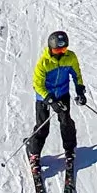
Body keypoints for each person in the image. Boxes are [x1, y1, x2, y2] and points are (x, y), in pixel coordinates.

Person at [27, 30, 87, 168]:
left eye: (64, 48)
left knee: (66, 122)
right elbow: (37, 84)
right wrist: (50, 100)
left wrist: (80, 90)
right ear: (51, 48)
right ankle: (34, 153)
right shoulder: (43, 63)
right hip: (44, 97)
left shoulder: (70, 57)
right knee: (43, 126)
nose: (61, 52)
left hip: (62, 93)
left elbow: (76, 73)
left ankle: (70, 149)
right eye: (58, 49)